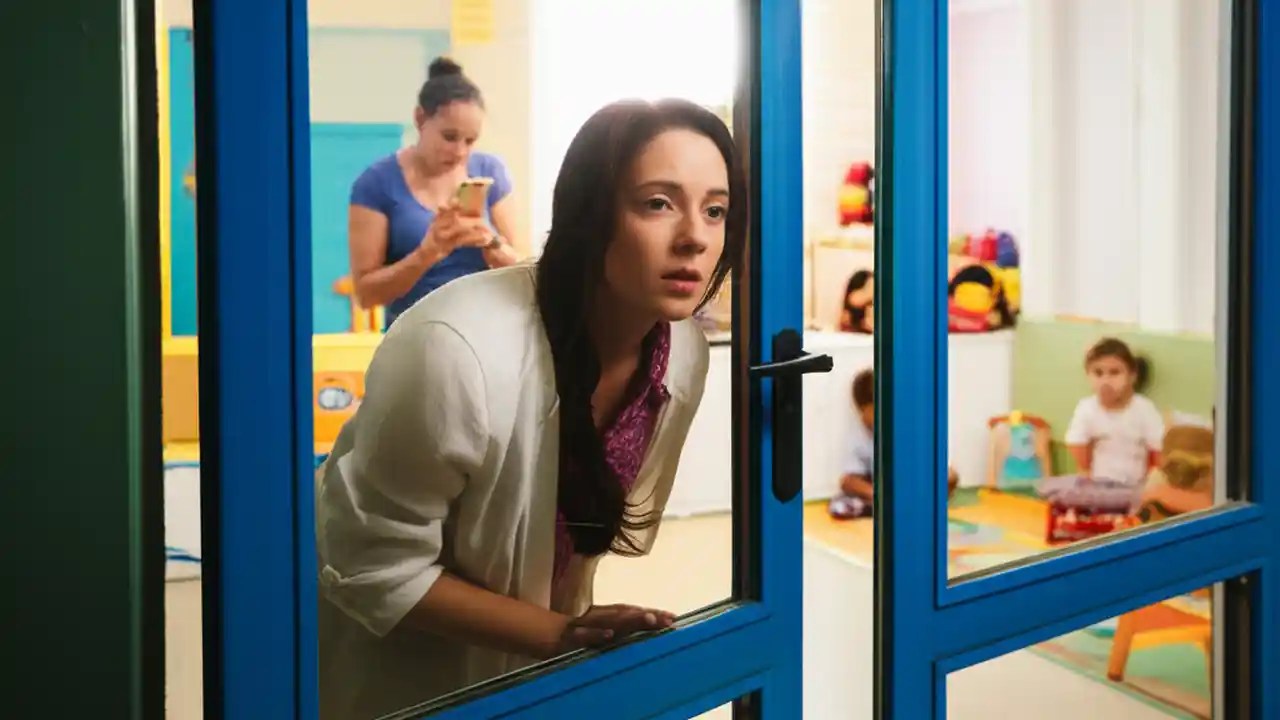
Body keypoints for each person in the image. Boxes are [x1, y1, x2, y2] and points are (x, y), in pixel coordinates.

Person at [315, 98, 747, 719]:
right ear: (590, 215)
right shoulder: (453, 351)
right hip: (399, 660)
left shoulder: (679, 352)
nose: (696, 237)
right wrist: (557, 635)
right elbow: (371, 565)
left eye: (716, 210)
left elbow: (567, 540)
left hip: (536, 662)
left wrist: (560, 639)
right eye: (657, 202)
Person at [347, 57, 524, 328]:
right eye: (449, 137)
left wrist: (491, 243)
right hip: (414, 336)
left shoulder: (490, 171)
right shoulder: (377, 184)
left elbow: (526, 270)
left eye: (470, 140)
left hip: (484, 333)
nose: (460, 152)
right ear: (420, 119)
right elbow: (366, 294)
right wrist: (427, 254)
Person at [1065, 337, 1165, 484]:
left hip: (1135, 486)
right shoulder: (1086, 408)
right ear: (1088, 375)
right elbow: (1078, 449)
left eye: (1114, 373)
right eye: (1098, 373)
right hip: (1097, 484)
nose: (1106, 381)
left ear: (1132, 376)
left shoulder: (1144, 409)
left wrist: (1149, 487)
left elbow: (1158, 452)